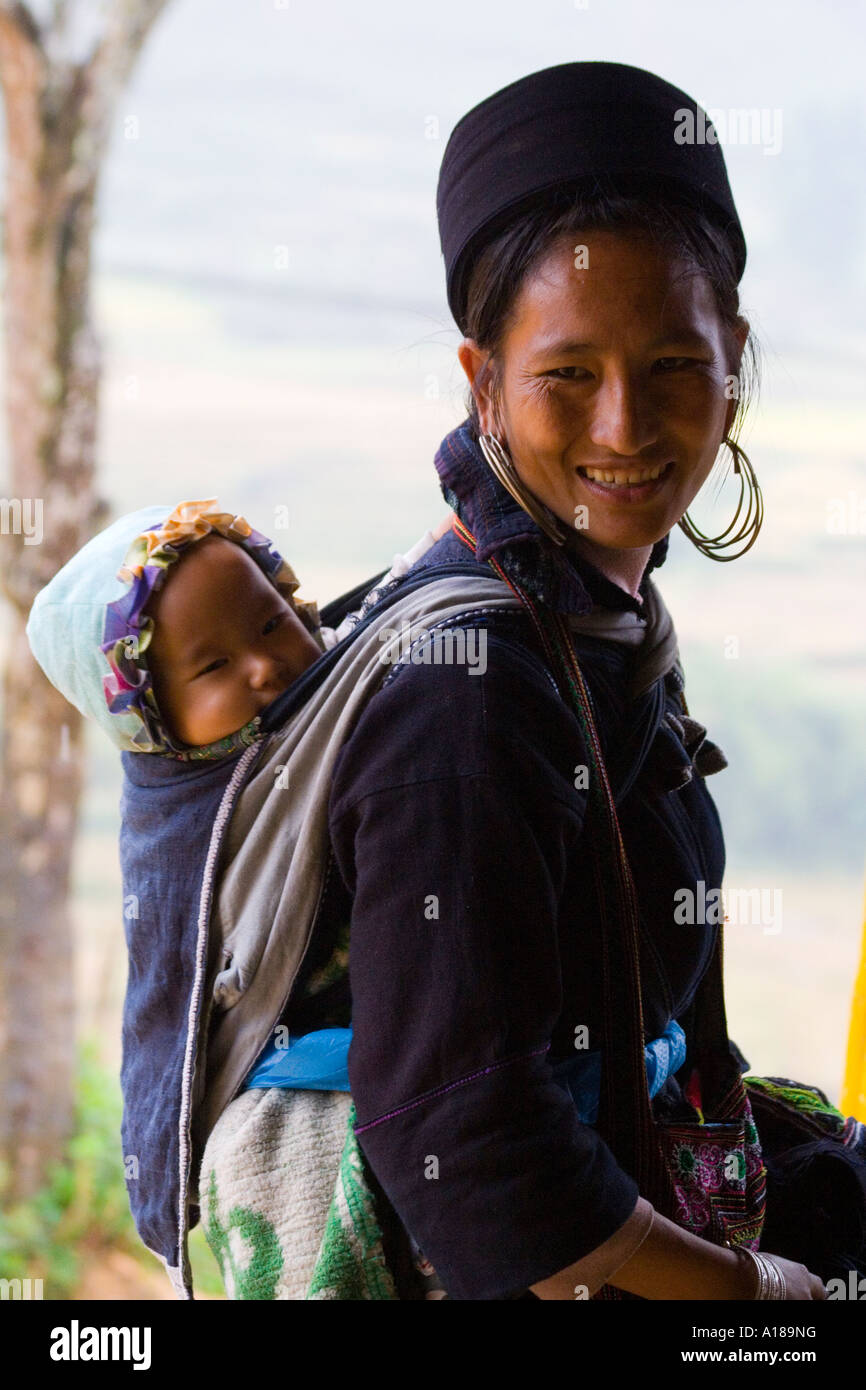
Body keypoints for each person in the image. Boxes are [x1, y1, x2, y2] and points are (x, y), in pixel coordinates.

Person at [312, 61, 866, 1301]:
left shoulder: (598, 619)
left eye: (673, 363)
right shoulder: (469, 688)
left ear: (734, 359)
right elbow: (469, 1150)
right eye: (568, 372)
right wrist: (761, 1298)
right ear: (483, 382)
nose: (624, 426)